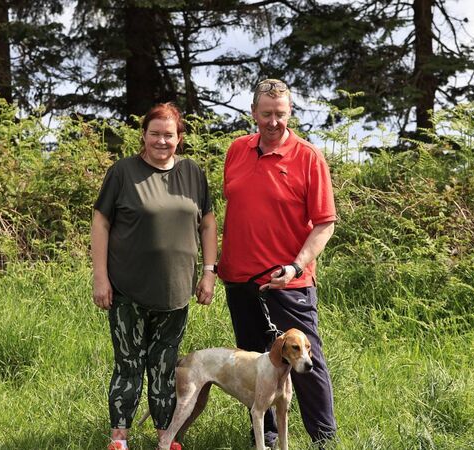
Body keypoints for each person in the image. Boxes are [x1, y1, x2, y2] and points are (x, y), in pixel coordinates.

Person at [217, 79, 338, 448]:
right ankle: (266, 438)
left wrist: (296, 267)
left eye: (280, 114)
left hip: (288, 282)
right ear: (253, 113)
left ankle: (323, 440)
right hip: (240, 280)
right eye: (266, 113)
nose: (273, 121)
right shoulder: (237, 150)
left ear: (290, 113)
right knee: (258, 363)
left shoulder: (308, 156)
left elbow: (325, 223)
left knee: (305, 363)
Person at [91, 102, 218, 450]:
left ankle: (166, 436)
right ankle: (119, 437)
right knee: (129, 364)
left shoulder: (193, 173)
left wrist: (209, 273)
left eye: (169, 135)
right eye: (155, 133)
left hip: (176, 292)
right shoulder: (123, 172)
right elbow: (101, 223)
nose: (162, 141)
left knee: (164, 367)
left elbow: (208, 223)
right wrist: (100, 277)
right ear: (144, 135)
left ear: (179, 138)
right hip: (127, 289)